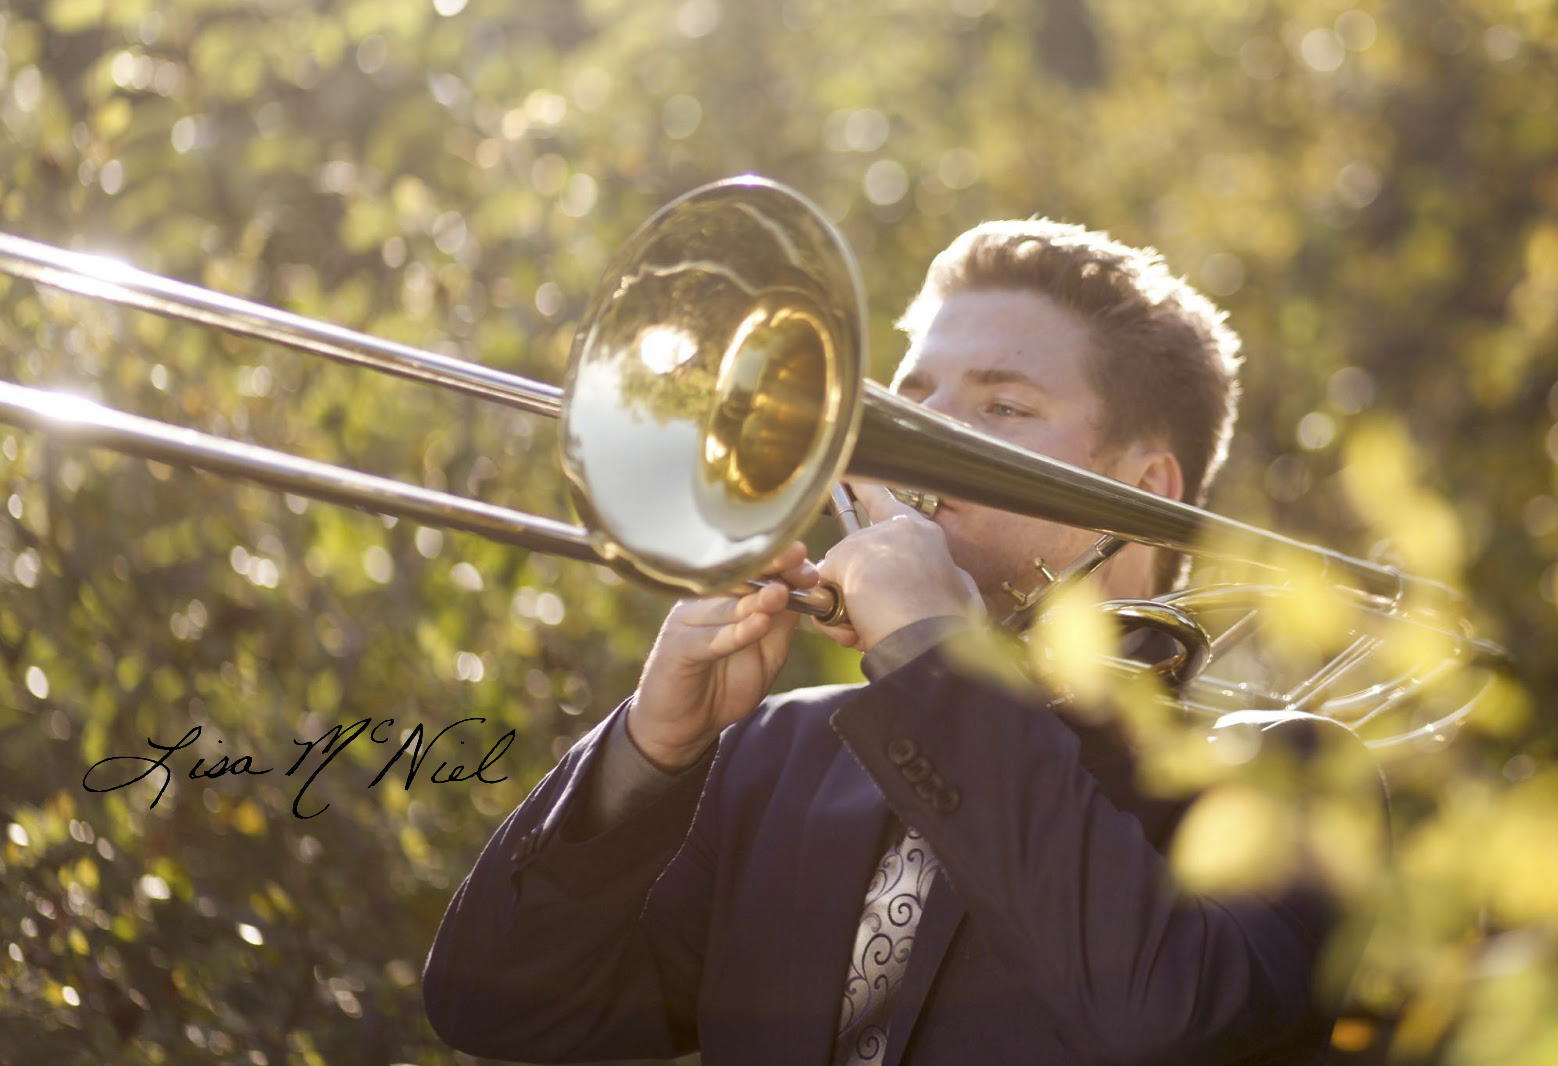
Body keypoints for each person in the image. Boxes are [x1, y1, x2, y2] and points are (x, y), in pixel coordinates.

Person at [422, 217, 1385, 1064]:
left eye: (1003, 407)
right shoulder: (781, 754)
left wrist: (936, 657)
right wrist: (647, 753)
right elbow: (494, 1006)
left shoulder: (1283, 779)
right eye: (910, 394)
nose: (915, 435)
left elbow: (1164, 1021)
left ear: (1145, 492)